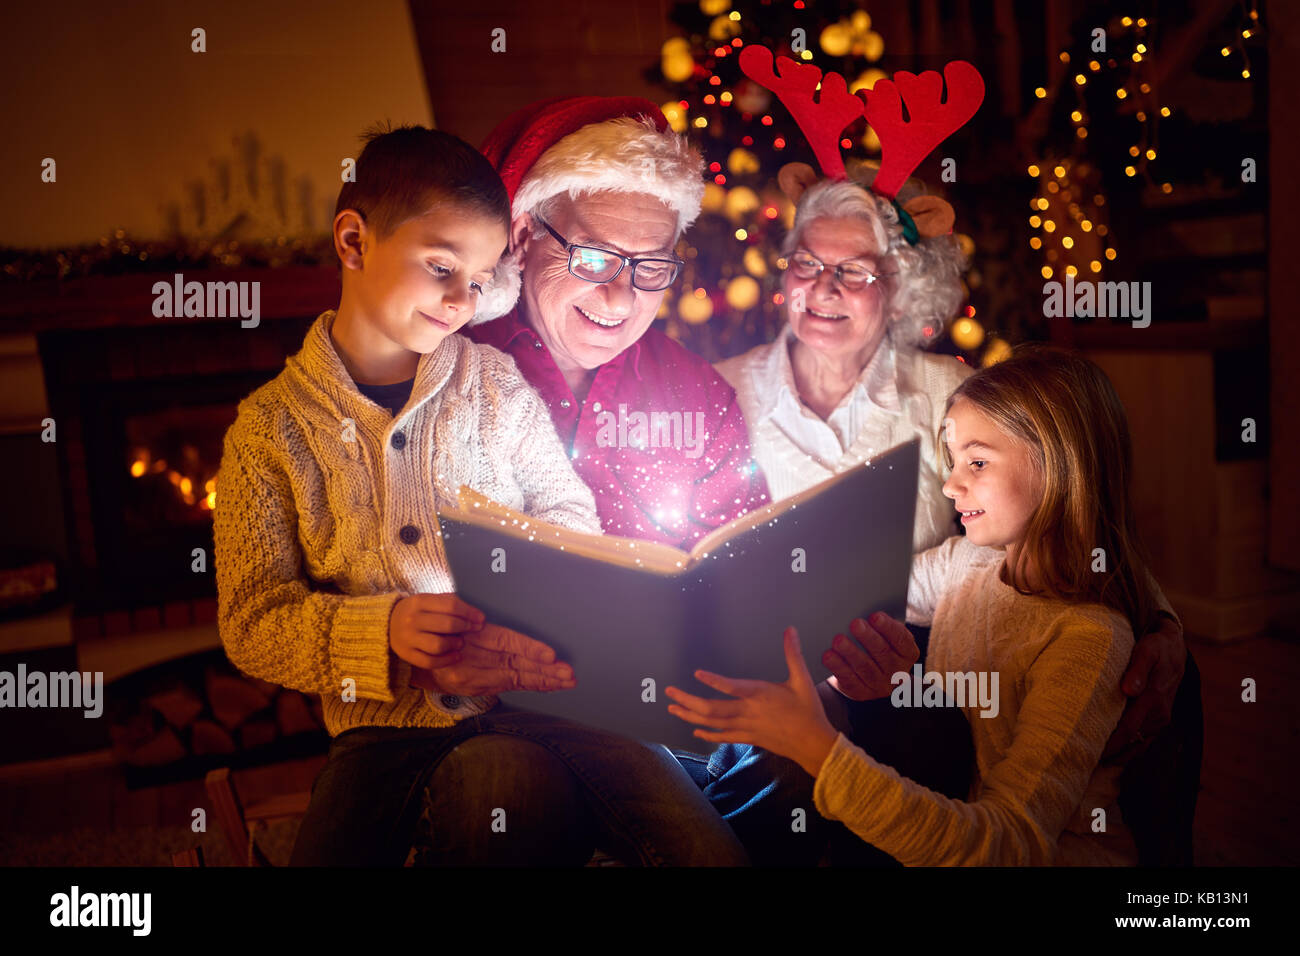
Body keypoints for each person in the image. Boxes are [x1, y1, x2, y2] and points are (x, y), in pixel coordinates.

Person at [213, 125, 747, 866]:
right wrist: (387, 636)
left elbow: (566, 515)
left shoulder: (492, 385)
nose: (464, 300)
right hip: (381, 733)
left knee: (704, 847)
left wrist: (519, 613)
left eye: (481, 277)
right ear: (353, 242)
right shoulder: (266, 433)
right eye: (441, 267)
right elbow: (252, 619)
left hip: (548, 701)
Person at [685, 170, 1188, 865]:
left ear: (899, 287)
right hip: (820, 682)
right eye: (807, 264)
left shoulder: (954, 394)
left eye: (854, 271)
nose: (823, 287)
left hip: (922, 708)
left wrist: (1158, 621)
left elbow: (1080, 519)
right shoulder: (718, 392)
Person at [667, 345, 1160, 864]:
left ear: (1061, 466)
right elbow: (847, 591)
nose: (951, 485)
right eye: (951, 461)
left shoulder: (1087, 639)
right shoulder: (965, 564)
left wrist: (815, 746)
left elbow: (1010, 844)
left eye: (977, 461)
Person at [464, 97, 770, 549]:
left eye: (649, 266)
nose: (621, 297)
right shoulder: (445, 370)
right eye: (591, 258)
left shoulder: (702, 396)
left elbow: (749, 566)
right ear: (524, 237)